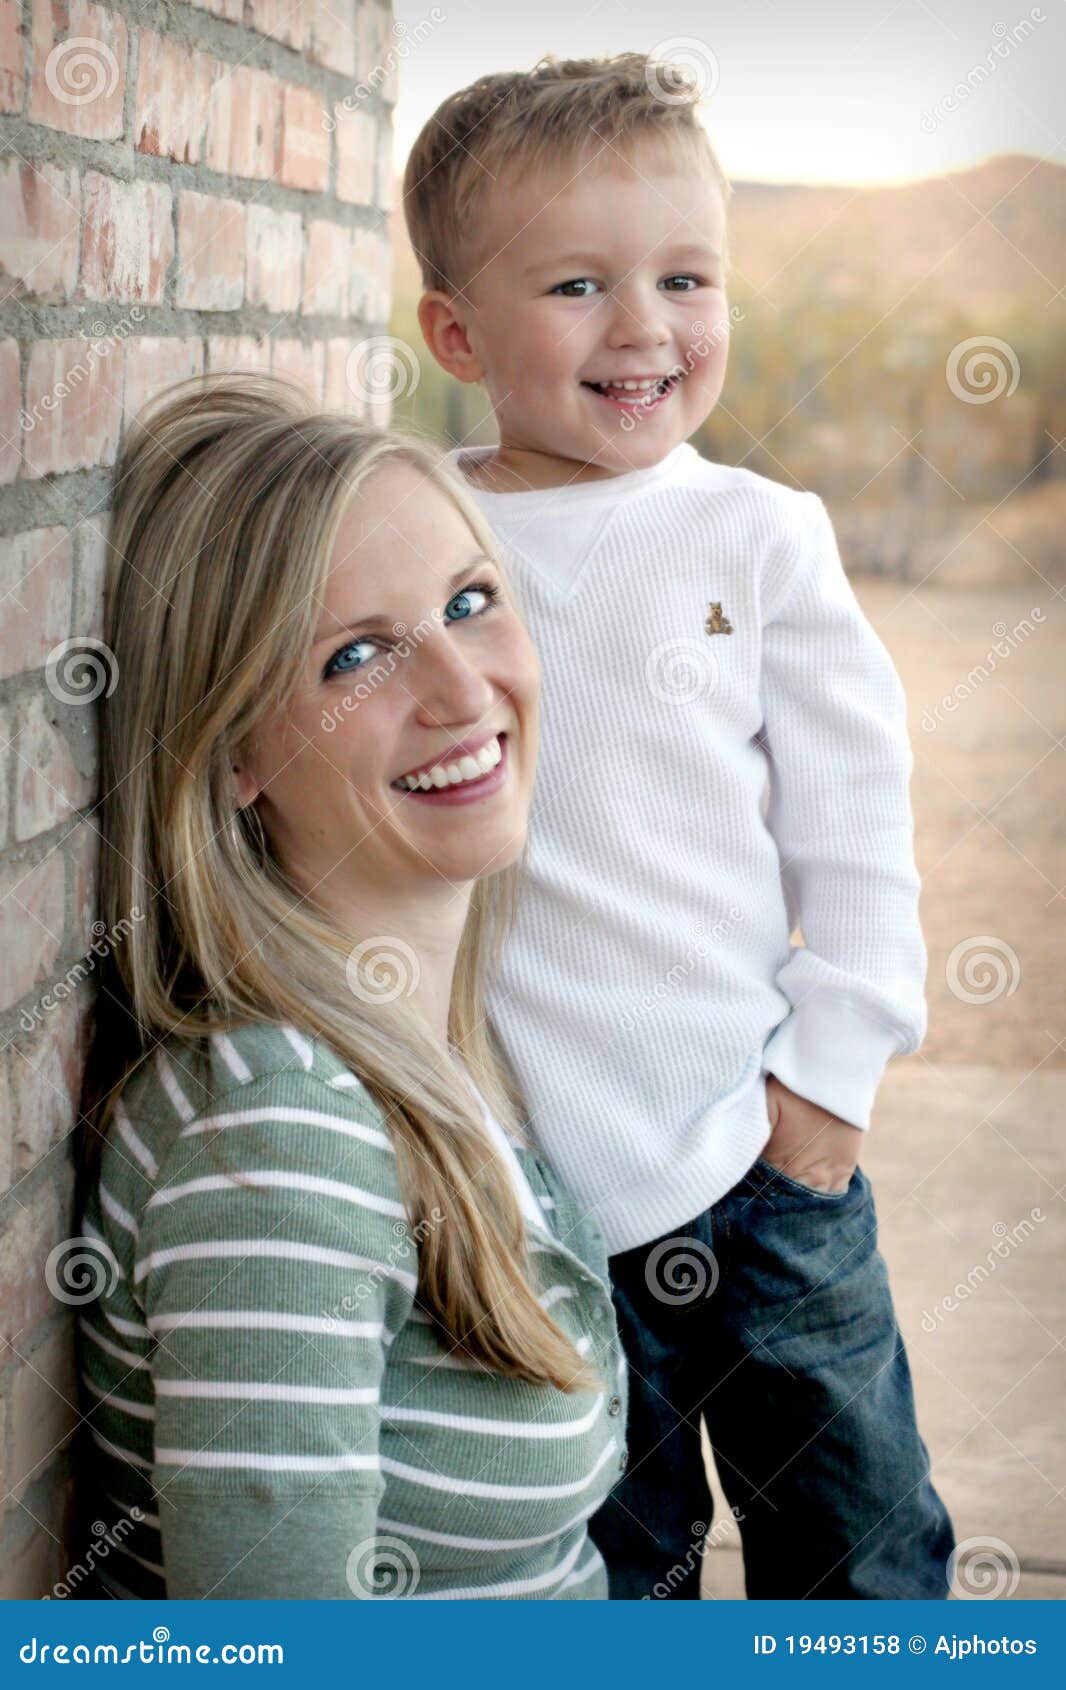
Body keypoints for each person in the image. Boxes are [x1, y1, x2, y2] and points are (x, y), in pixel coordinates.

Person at [406, 52, 956, 1598]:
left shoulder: (756, 536)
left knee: (854, 1549)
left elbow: (856, 819)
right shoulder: (418, 534)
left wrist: (829, 1081)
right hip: (534, 1201)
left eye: (685, 278)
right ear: (455, 332)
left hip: (760, 1159)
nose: (644, 326)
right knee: (609, 1561)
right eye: (577, 284)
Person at [74, 377, 627, 1600]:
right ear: (232, 751)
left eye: (469, 602)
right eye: (357, 656)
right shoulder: (279, 1139)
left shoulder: (444, 1045)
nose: (463, 691)